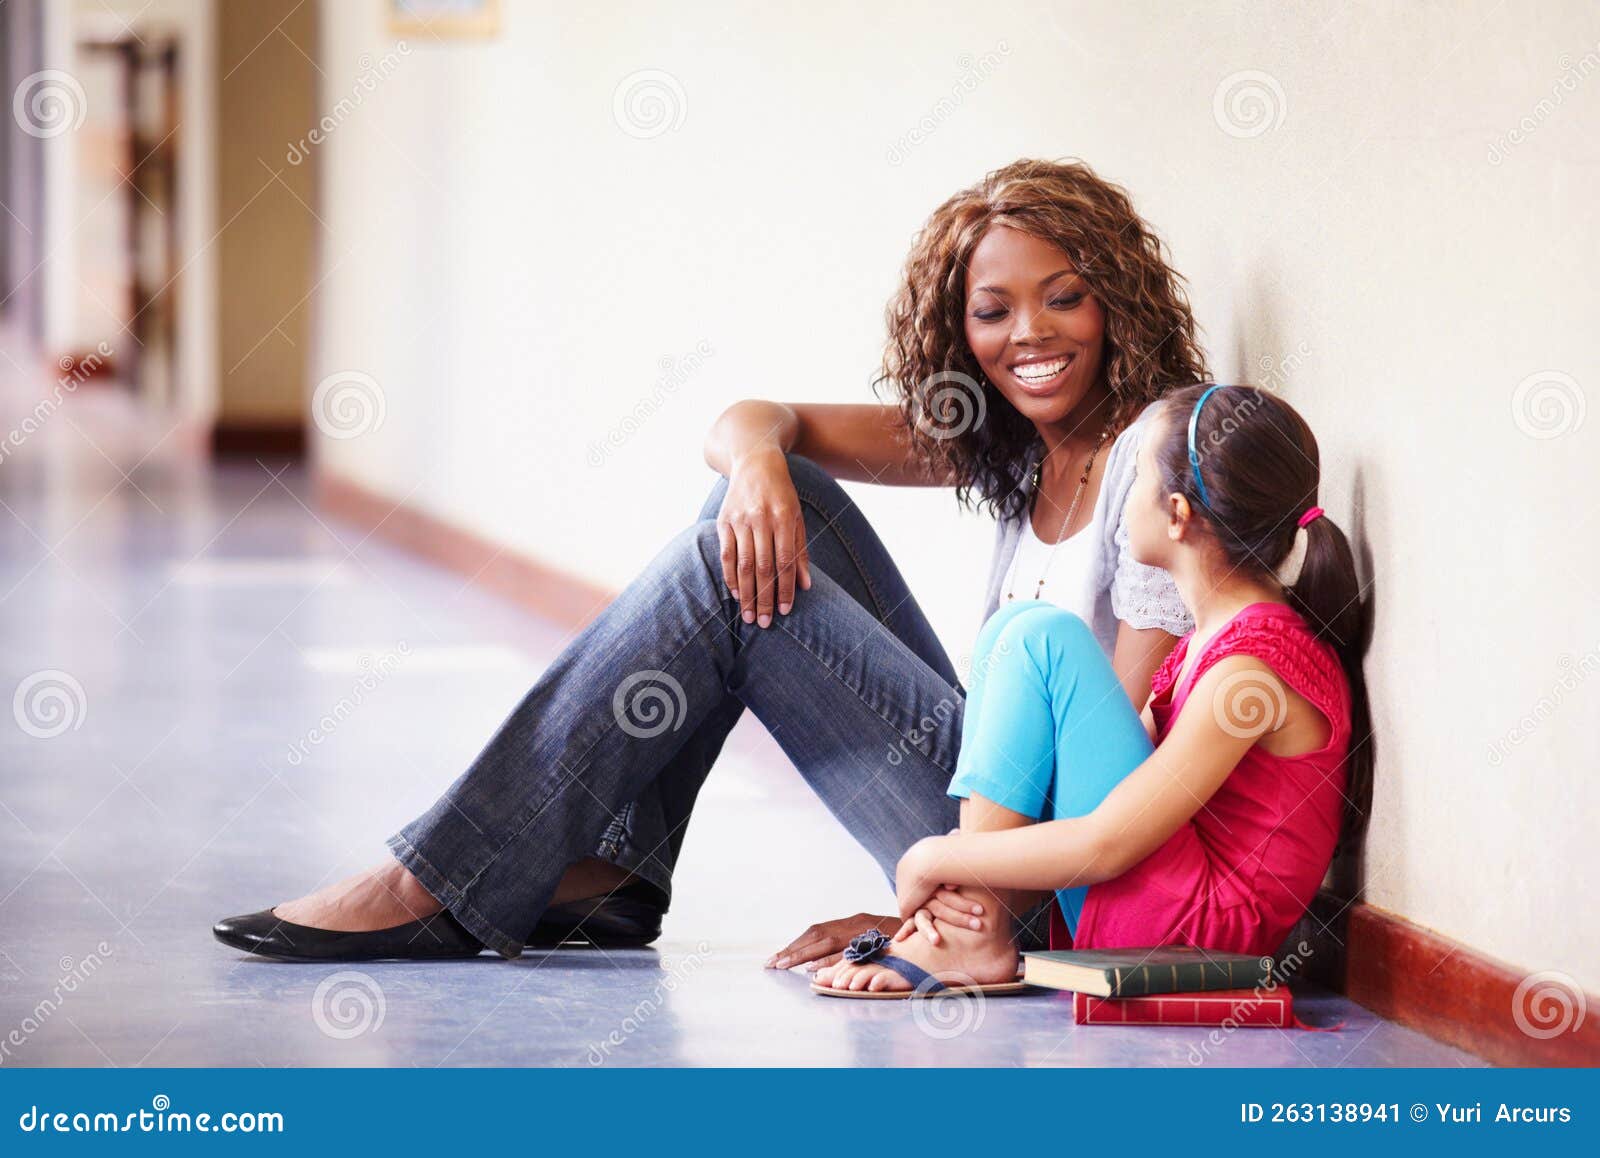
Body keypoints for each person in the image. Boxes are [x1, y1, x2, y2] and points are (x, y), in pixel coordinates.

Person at [211, 158, 1209, 964]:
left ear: (1116, 301)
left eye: (1064, 299)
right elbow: (749, 419)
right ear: (960, 331)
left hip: (1050, 883)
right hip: (991, 813)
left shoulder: (1151, 457)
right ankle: (611, 868)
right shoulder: (1015, 435)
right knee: (764, 508)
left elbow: (1113, 779)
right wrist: (758, 467)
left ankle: (449, 878)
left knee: (716, 576)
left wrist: (924, 907)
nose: (1028, 334)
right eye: (993, 311)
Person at [814, 384, 1373, 996]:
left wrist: (935, 858)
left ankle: (969, 935)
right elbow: (1098, 805)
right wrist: (964, 864)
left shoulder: (1249, 672)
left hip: (1193, 935)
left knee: (1043, 637)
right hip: (1167, 902)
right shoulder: (1206, 646)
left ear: (1178, 515)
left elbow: (1107, 842)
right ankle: (970, 926)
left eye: (1132, 478)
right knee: (1016, 627)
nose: (1121, 496)